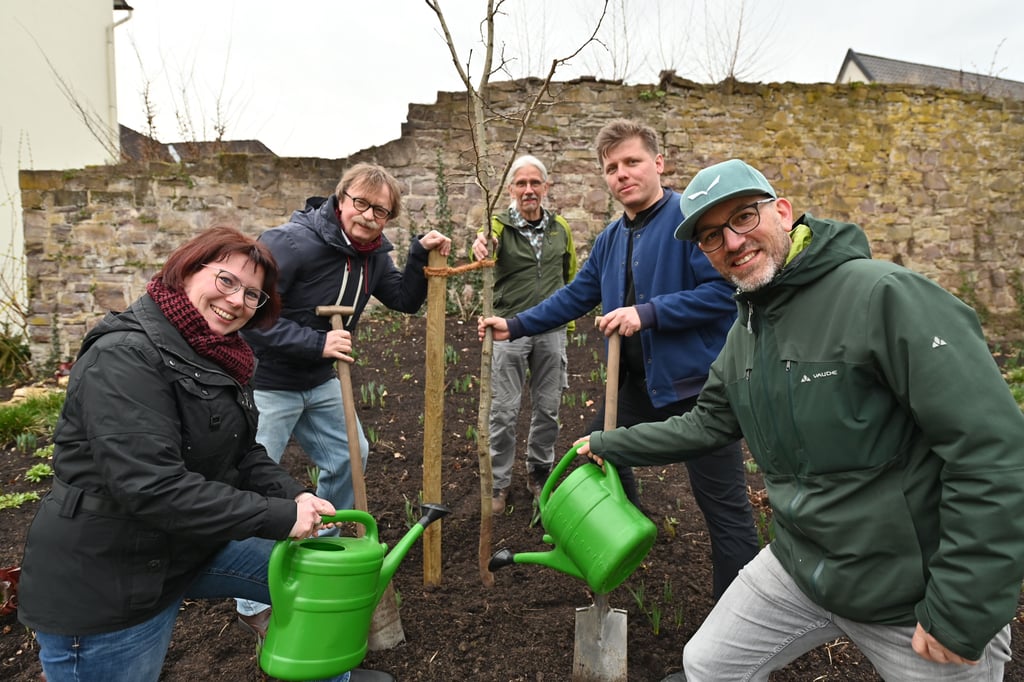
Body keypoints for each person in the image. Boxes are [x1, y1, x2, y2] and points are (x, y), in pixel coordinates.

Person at [577, 158, 1024, 681]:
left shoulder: (884, 297)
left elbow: (993, 453)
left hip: (911, 591)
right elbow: (706, 424)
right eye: (712, 237)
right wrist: (609, 443)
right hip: (801, 563)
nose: (733, 243)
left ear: (782, 212)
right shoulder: (746, 331)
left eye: (744, 218)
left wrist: (961, 606)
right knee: (709, 666)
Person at [17, 227, 348, 682]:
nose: (236, 301)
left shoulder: (218, 352)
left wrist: (295, 497)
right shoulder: (124, 356)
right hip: (109, 578)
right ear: (187, 271)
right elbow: (152, 488)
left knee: (322, 567)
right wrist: (276, 516)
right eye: (227, 281)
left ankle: (318, 669)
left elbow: (242, 450)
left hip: (185, 545)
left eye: (253, 295)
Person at [478, 119, 759, 598]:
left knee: (724, 510)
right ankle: (626, 533)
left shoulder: (688, 224)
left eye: (632, 162)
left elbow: (723, 291)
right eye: (612, 167)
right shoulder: (611, 237)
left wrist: (648, 313)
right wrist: (516, 324)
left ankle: (743, 619)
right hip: (639, 389)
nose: (622, 174)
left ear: (658, 164)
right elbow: (577, 294)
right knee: (599, 448)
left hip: (699, 391)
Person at [235, 162, 451, 628]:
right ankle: (251, 599)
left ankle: (320, 538)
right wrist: (317, 343)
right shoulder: (288, 244)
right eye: (361, 203)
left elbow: (403, 298)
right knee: (255, 479)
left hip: (319, 382)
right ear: (340, 200)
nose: (370, 215)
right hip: (268, 383)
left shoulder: (372, 255)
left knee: (350, 455)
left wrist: (418, 255)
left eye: (382, 210)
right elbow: (252, 316)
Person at [473, 155, 578, 513]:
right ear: (512, 189)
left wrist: (569, 321)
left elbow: (570, 274)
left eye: (535, 183)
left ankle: (538, 474)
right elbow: (486, 242)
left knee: (548, 408)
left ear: (546, 188)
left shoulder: (560, 227)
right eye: (521, 184)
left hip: (551, 330)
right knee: (503, 411)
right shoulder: (499, 225)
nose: (529, 190)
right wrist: (480, 244)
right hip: (508, 329)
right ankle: (498, 484)